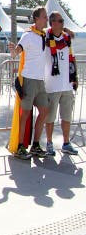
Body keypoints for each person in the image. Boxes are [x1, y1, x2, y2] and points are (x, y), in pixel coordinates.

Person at [9, 7, 51, 160]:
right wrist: (13, 50)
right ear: (37, 19)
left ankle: (36, 145)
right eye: (44, 17)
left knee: (44, 111)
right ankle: (20, 146)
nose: (47, 20)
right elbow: (17, 52)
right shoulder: (28, 35)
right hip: (29, 80)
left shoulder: (45, 36)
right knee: (25, 114)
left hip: (41, 80)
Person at [44, 11, 78, 156]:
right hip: (52, 85)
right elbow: (36, 28)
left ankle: (66, 143)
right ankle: (49, 143)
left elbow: (72, 58)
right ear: (53, 23)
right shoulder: (45, 36)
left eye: (63, 21)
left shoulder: (66, 38)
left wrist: (75, 77)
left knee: (66, 117)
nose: (63, 23)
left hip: (67, 84)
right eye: (60, 20)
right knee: (50, 117)